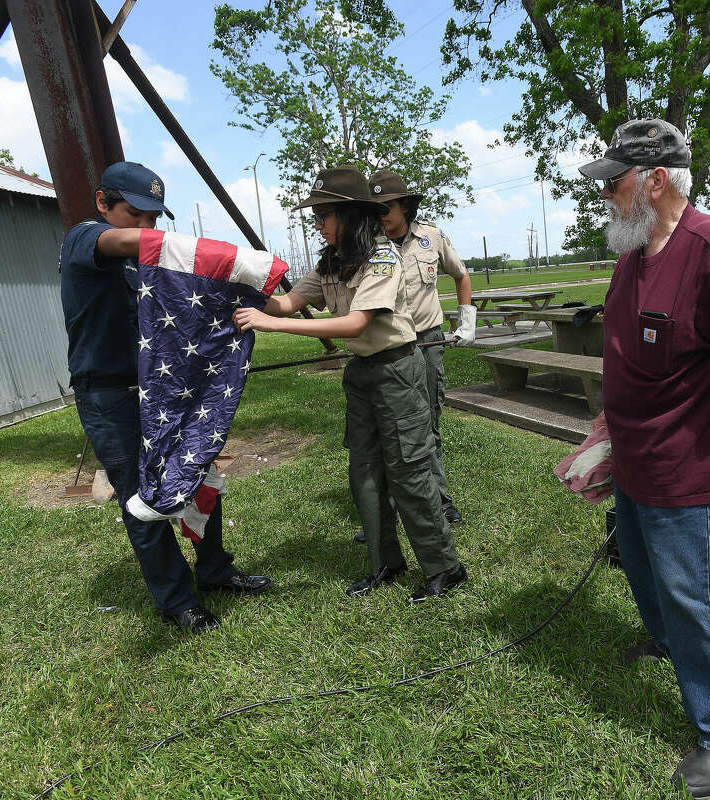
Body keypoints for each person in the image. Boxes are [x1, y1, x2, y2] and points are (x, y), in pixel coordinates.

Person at [579, 119, 710, 798]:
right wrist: (605, 430)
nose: (606, 193)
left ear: (655, 180)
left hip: (687, 468)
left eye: (616, 181)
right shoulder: (633, 253)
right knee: (643, 571)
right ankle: (665, 643)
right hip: (634, 460)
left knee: (697, 595)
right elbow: (625, 354)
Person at [232, 166, 467, 603]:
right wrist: (233, 288)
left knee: (409, 470)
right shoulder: (329, 263)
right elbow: (285, 303)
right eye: (315, 216)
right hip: (360, 374)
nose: (317, 224)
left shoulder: (382, 257)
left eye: (323, 215)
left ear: (351, 214)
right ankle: (385, 563)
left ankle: (445, 567)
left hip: (397, 369)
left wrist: (271, 326)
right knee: (365, 471)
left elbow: (358, 323)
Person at [60, 161, 272, 635]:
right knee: (143, 496)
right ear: (102, 203)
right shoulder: (85, 238)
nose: (146, 227)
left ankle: (214, 568)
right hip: (110, 393)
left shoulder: (148, 258)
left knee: (199, 472)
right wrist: (202, 251)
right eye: (135, 214)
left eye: (154, 217)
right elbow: (124, 242)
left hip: (164, 390)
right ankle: (177, 600)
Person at [368, 169, 477, 528]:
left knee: (428, 420)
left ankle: (439, 500)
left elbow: (461, 275)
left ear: (405, 206)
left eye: (386, 207)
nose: (381, 215)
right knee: (389, 426)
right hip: (387, 345)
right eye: (375, 208)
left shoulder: (431, 237)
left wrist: (466, 320)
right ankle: (390, 507)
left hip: (428, 341)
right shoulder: (368, 244)